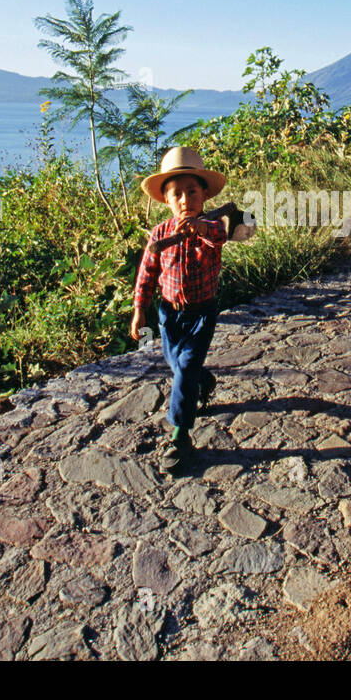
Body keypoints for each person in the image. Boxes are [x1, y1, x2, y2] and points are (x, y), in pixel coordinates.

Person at [130, 147, 229, 472]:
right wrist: (139, 310)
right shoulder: (160, 235)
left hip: (201, 314)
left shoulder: (211, 230)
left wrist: (201, 229)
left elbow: (220, 235)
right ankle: (203, 379)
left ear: (203, 195)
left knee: (183, 370)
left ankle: (180, 435)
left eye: (191, 192)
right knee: (178, 366)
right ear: (167, 200)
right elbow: (146, 273)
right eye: (177, 194)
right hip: (168, 314)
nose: (185, 200)